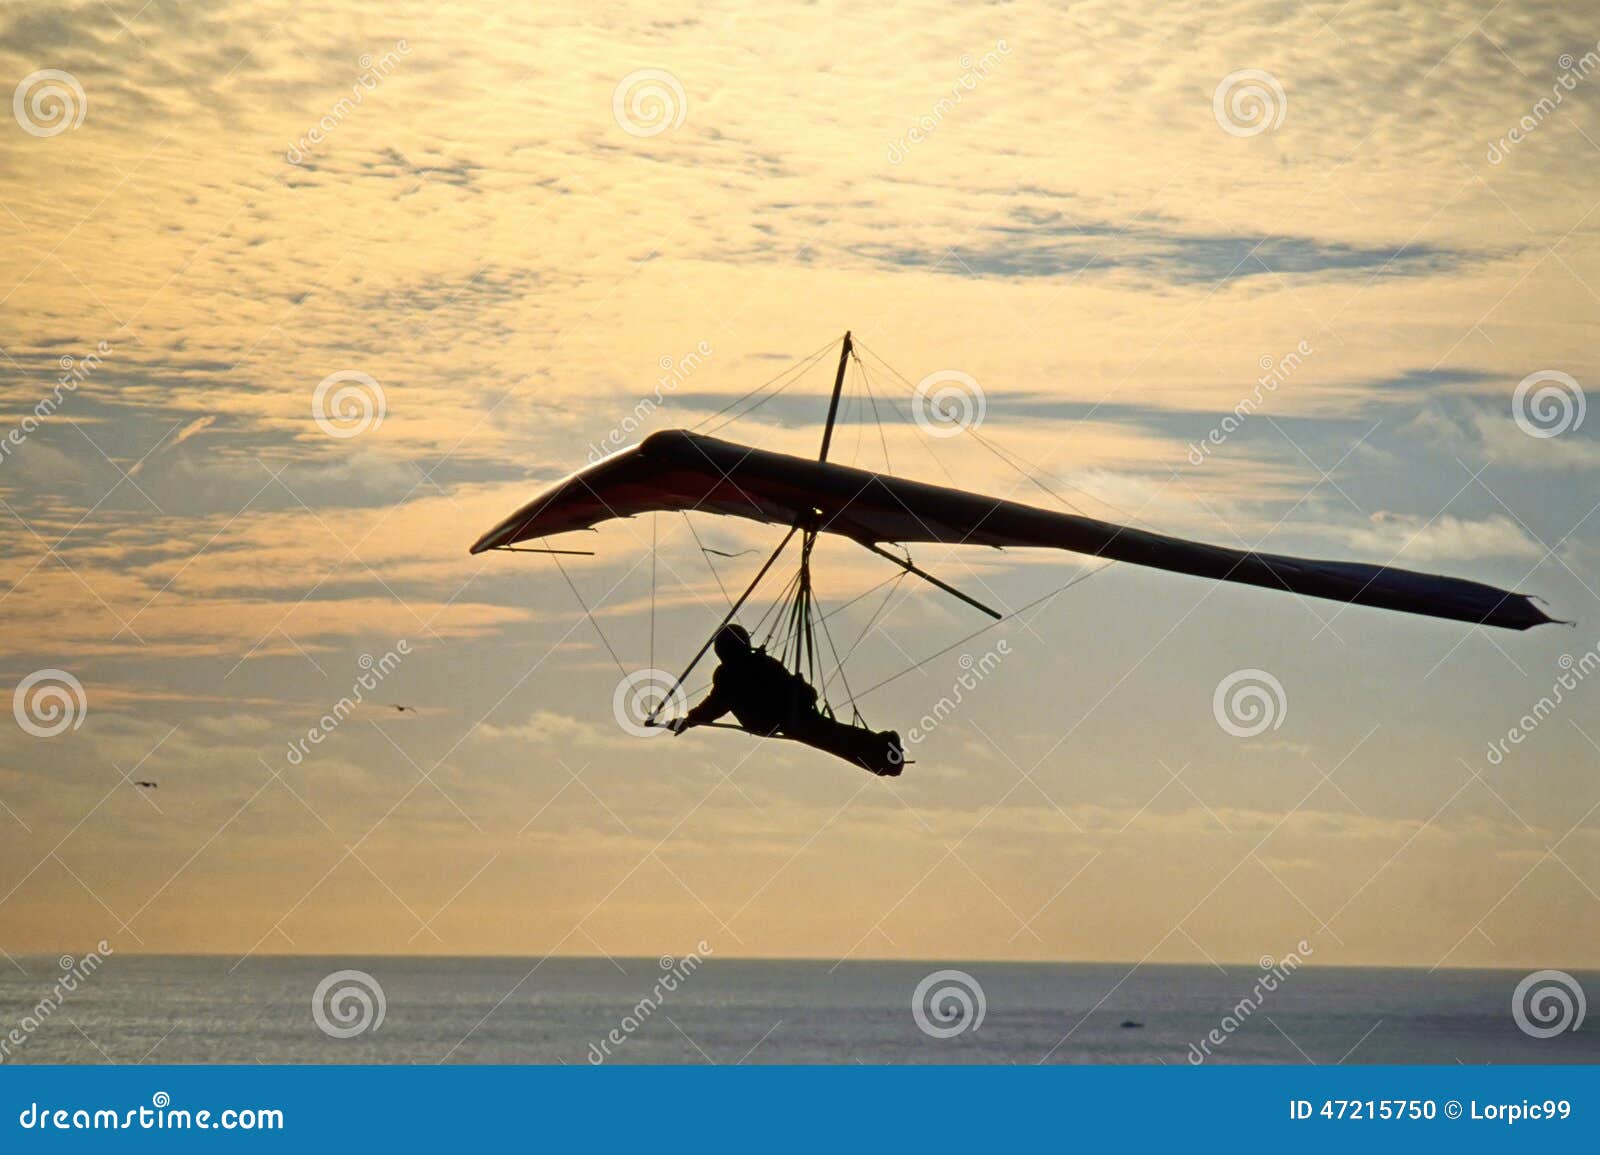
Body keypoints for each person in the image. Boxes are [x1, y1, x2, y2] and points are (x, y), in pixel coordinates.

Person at [668, 624, 905, 776]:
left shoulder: (733, 673)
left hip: (787, 717)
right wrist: (690, 720)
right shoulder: (761, 663)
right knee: (834, 736)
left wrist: (689, 720)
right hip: (789, 717)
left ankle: (884, 753)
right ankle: (883, 754)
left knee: (835, 738)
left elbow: (715, 705)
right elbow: (716, 704)